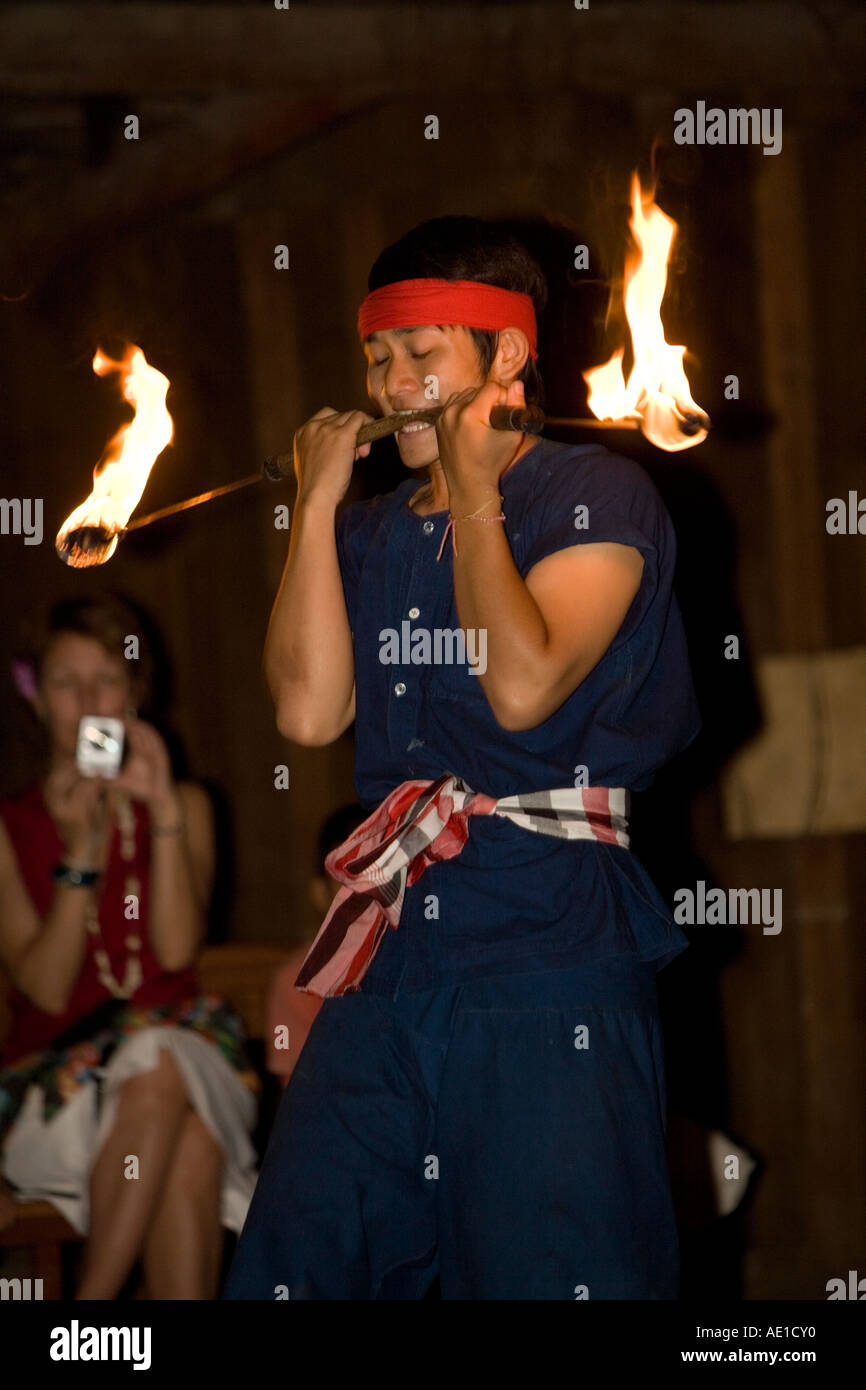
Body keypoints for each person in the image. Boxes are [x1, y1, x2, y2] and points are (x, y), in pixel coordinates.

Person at [224, 216, 702, 1300]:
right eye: (375, 358)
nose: (392, 382)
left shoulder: (595, 496)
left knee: (554, 1270)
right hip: (392, 960)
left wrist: (479, 490)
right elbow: (306, 710)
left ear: (506, 357)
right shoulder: (373, 529)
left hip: (547, 948)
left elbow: (524, 688)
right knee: (301, 1261)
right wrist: (314, 508)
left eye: (420, 354)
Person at [0, 595, 260, 1299]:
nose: (86, 700)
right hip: (60, 1090)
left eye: (106, 679)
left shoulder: (186, 805)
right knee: (188, 1132)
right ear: (37, 698)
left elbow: (174, 953)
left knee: (163, 1065)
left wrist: (163, 814)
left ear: (135, 693)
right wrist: (81, 852)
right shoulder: (9, 825)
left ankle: (86, 1323)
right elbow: (48, 989)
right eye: (64, 681)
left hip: (177, 1063)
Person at [265, 804, 365, 1090]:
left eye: (379, 874)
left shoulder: (420, 968)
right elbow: (299, 1094)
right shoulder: (296, 981)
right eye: (347, 879)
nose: (366, 892)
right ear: (321, 893)